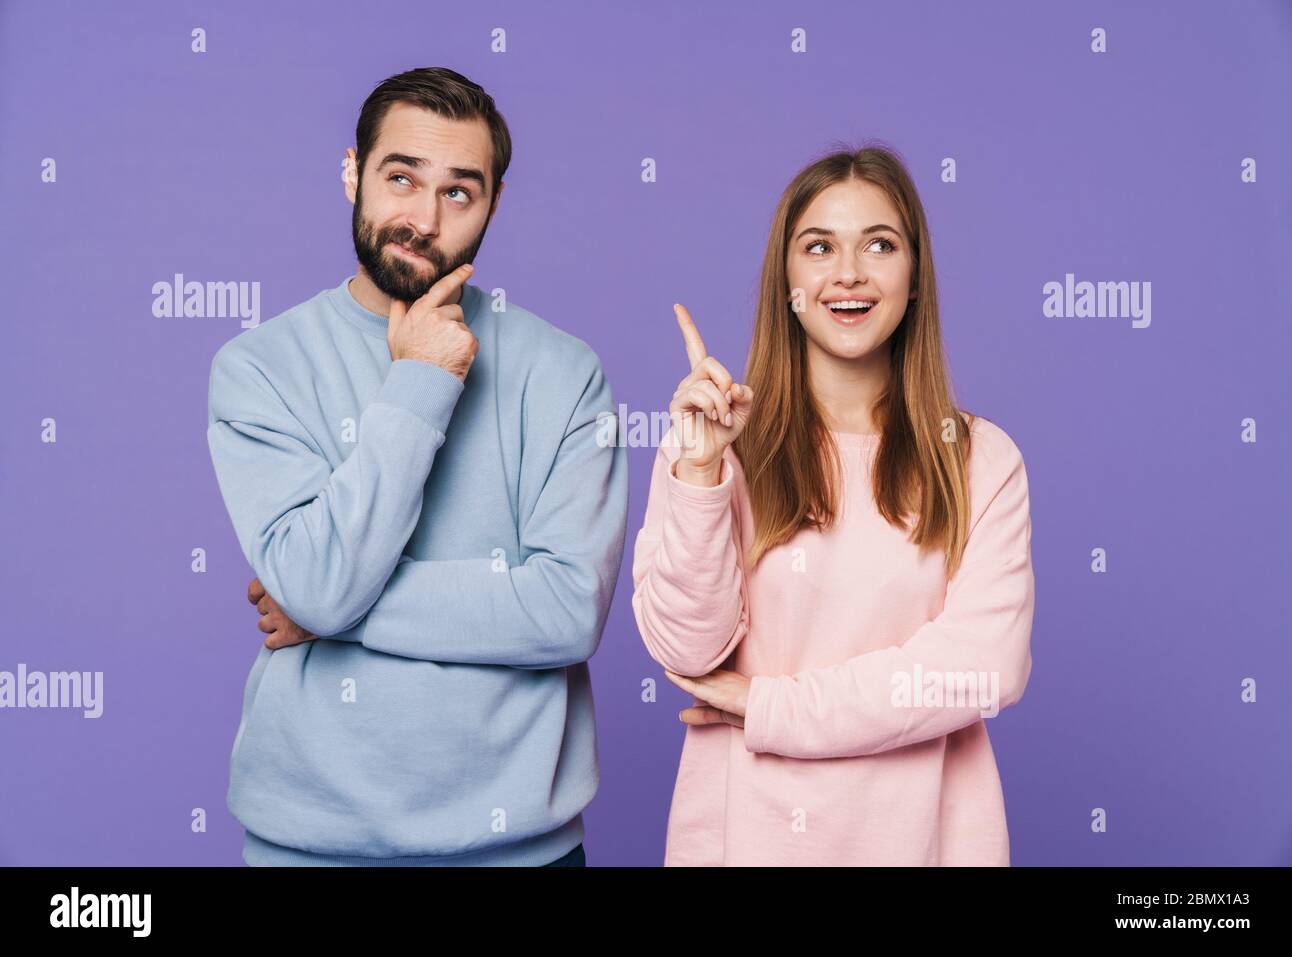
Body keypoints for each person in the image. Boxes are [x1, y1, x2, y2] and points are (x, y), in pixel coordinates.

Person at [206, 67, 627, 866]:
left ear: (494, 202)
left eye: (459, 193)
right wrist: (420, 384)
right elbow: (319, 582)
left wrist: (332, 608)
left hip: (524, 850)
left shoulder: (565, 372)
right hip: (310, 847)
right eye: (401, 178)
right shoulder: (256, 368)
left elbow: (568, 608)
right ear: (352, 173)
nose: (423, 219)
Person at [631, 144, 1035, 866]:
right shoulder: (715, 446)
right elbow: (688, 650)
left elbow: (984, 667)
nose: (848, 273)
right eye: (819, 247)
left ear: (915, 279)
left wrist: (770, 707)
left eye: (879, 245)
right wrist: (701, 469)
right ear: (786, 279)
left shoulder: (980, 458)